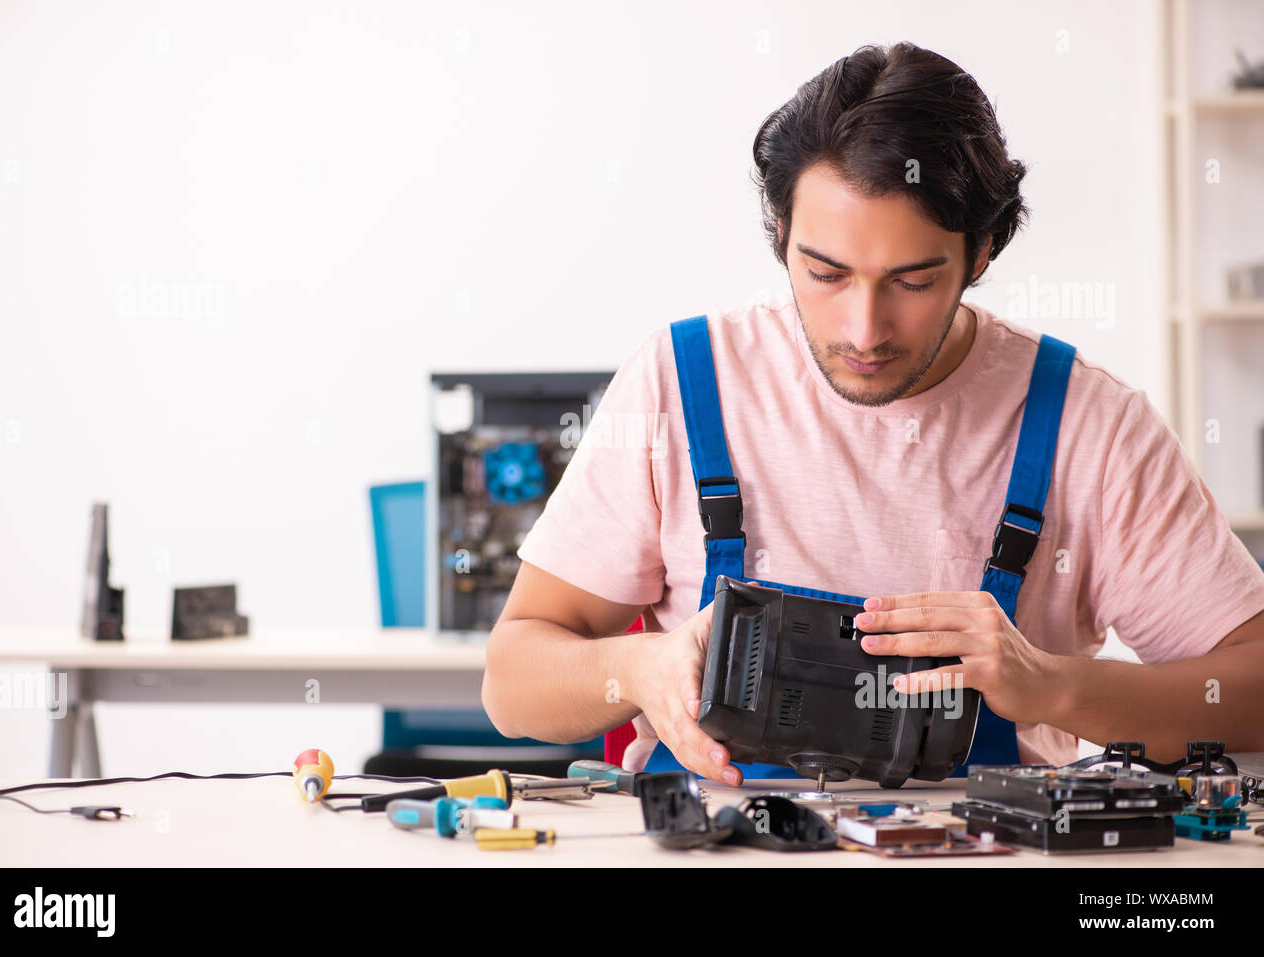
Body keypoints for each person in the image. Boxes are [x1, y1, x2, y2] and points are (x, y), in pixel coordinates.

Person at [481, 42, 1264, 787]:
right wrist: (642, 670)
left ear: (981, 252)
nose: (863, 329)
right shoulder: (684, 381)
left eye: (913, 281)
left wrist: (1056, 687)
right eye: (824, 273)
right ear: (781, 235)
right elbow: (512, 682)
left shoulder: (1089, 423)